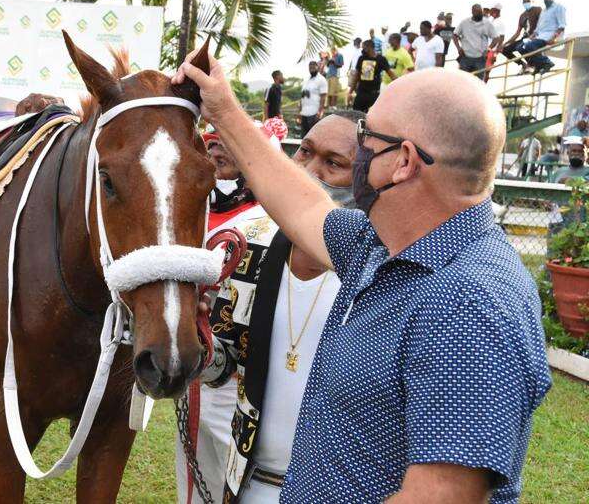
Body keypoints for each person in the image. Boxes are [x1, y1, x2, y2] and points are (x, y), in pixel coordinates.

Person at [172, 54, 551, 502]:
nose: (358, 151)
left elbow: (438, 497)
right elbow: (305, 207)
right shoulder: (384, 246)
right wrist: (224, 108)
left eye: (367, 137)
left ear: (404, 161)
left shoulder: (468, 302)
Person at [199, 111, 362, 503]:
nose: (307, 170)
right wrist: (195, 340)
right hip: (247, 481)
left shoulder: (383, 267)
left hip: (336, 491)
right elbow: (225, 365)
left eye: (333, 163)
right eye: (303, 152)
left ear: (367, 181)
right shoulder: (247, 242)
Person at [176, 121, 287, 504]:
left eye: (228, 146)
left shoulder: (274, 219)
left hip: (239, 376)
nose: (217, 152)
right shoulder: (188, 207)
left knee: (233, 473)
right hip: (194, 364)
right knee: (192, 472)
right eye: (211, 144)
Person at [523, 0, 566, 75]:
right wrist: (532, 36)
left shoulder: (559, 7)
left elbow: (562, 26)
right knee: (522, 47)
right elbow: (538, 28)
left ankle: (547, 62)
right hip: (540, 36)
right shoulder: (544, 11)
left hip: (550, 36)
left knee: (530, 45)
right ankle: (538, 65)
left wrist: (554, 38)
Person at [453, 3, 497, 75]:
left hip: (480, 58)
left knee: (478, 82)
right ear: (473, 12)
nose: (480, 14)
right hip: (466, 57)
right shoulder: (464, 22)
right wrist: (458, 48)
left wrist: (489, 49)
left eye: (480, 12)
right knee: (463, 80)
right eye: (477, 12)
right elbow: (455, 35)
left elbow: (496, 38)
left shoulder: (487, 23)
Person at [502, 0, 542, 72]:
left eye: (528, 1)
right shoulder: (522, 15)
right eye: (524, 2)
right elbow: (517, 33)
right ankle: (524, 65)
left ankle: (532, 65)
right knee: (505, 50)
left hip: (535, 37)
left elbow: (542, 24)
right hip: (525, 38)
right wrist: (505, 43)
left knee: (521, 46)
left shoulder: (537, 10)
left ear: (533, 2)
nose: (526, 3)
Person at [353, 40, 395, 112]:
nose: (362, 50)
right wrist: (352, 89)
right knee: (356, 114)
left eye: (364, 48)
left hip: (374, 93)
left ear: (370, 47)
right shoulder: (361, 58)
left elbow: (391, 74)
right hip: (361, 92)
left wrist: (400, 84)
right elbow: (356, 75)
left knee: (373, 116)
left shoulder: (381, 59)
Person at [299, 60, 327, 136]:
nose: (311, 68)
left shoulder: (321, 79)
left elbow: (323, 96)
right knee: (304, 138)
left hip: (314, 113)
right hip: (304, 113)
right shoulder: (306, 80)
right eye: (310, 67)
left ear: (317, 67)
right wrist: (299, 112)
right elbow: (302, 96)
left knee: (313, 137)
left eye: (313, 67)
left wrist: (320, 112)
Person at [346, 37, 363, 106]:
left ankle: (358, 101)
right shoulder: (354, 51)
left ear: (358, 42)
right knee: (351, 87)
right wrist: (348, 69)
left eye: (355, 42)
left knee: (357, 87)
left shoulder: (361, 51)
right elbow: (352, 61)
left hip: (358, 71)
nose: (353, 43)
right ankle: (351, 102)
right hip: (352, 70)